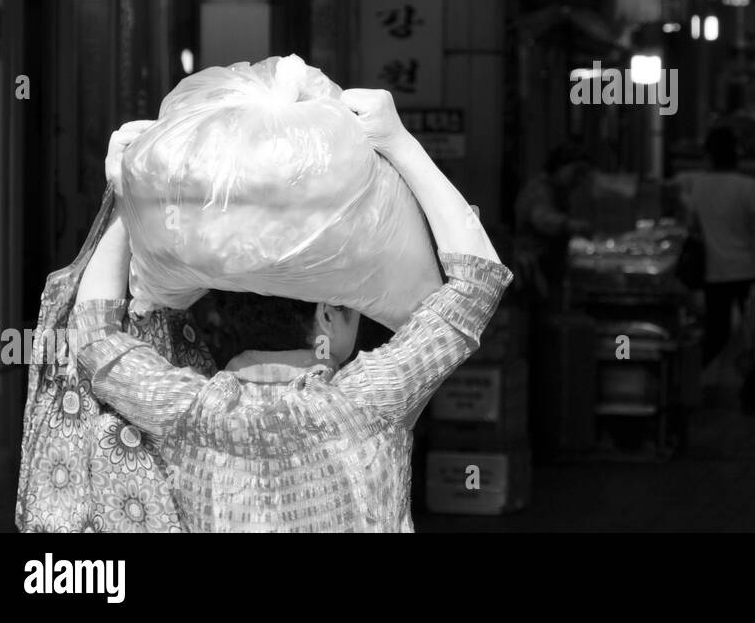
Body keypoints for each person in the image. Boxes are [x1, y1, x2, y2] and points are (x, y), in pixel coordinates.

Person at [73, 90, 513, 532]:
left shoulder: (186, 412)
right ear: (327, 312)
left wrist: (125, 193)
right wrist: (398, 142)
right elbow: (478, 282)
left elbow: (94, 335)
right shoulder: (367, 403)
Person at [674, 127, 755, 415]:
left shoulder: (699, 186)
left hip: (715, 271)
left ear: (708, 155)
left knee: (716, 334)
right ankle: (749, 396)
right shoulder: (749, 186)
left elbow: (692, 226)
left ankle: (682, 384)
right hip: (747, 270)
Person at [513, 143, 592, 305]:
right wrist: (571, 225)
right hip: (534, 266)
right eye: (576, 172)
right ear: (560, 167)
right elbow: (543, 220)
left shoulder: (558, 190)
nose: (579, 179)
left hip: (549, 263)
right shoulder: (540, 189)